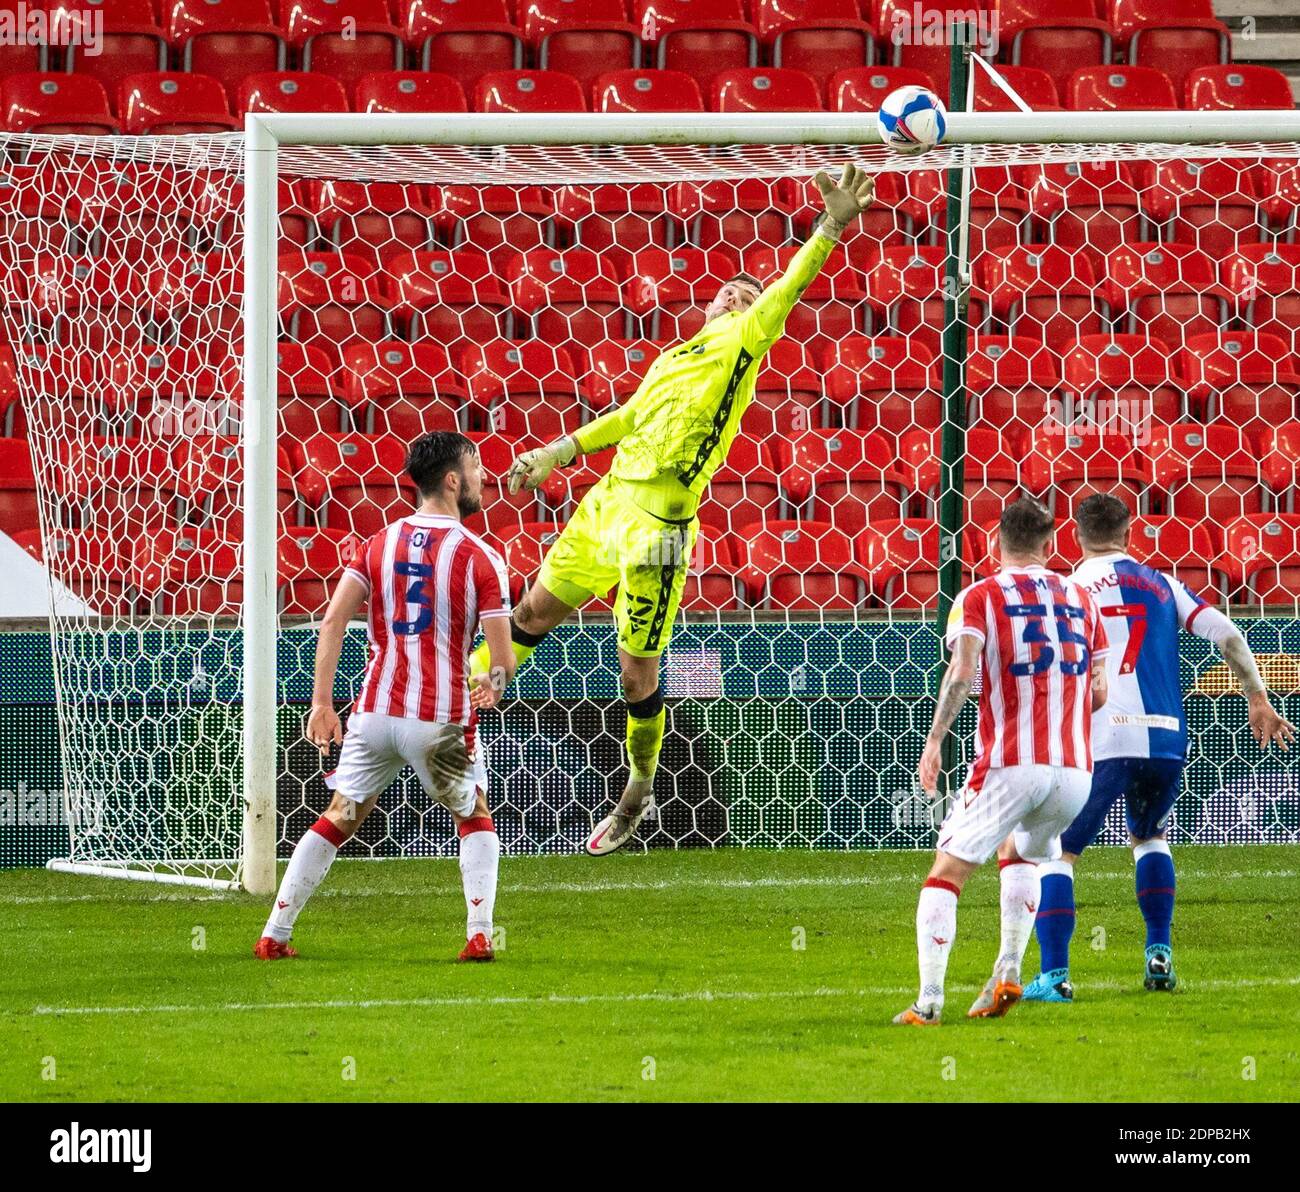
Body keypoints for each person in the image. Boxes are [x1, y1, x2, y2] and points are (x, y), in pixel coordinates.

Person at [468, 165, 878, 856]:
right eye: (727, 290)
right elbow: (626, 417)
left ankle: (639, 783)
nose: (732, 296)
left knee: (636, 675)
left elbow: (786, 293)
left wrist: (830, 227)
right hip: (606, 503)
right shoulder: (671, 357)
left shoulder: (741, 344)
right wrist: (556, 452)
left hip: (657, 531)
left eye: (744, 295)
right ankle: (457, 715)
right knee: (531, 615)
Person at [253, 432, 515, 963]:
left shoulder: (376, 543)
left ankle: (274, 934)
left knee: (340, 814)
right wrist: (494, 684)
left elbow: (331, 621)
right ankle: (480, 932)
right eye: (476, 467)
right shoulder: (482, 557)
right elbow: (503, 660)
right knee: (473, 816)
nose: (483, 476)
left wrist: (321, 703)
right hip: (438, 719)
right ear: (451, 480)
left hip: (373, 714)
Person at [1024, 493, 1295, 1000]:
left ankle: (1055, 977)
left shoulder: (1068, 588)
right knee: (1149, 836)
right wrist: (1257, 698)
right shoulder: (1164, 584)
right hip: (1166, 737)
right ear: (1129, 535)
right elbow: (1229, 634)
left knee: (1058, 853)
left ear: (1075, 538)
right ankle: (1158, 954)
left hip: (1101, 737)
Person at [895, 498, 1109, 1026]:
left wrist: (935, 738)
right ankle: (1007, 971)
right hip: (1076, 771)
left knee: (946, 872)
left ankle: (928, 1002)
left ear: (995, 541)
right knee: (1022, 856)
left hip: (1011, 761)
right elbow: (1100, 692)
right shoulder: (1082, 598)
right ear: (1050, 544)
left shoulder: (979, 596)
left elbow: (962, 672)